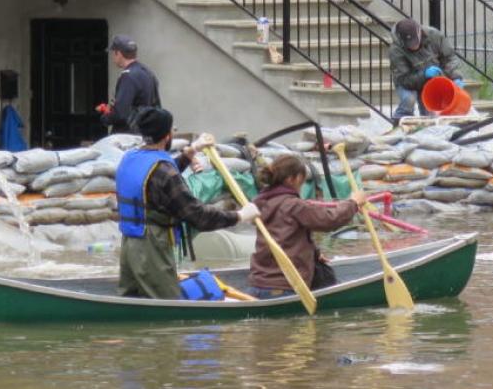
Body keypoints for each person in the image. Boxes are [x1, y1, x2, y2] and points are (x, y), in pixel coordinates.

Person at [116, 107, 260, 299]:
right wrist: (239, 216)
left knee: (131, 298)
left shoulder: (130, 158)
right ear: (168, 136)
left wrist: (191, 151)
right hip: (152, 246)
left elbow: (158, 177)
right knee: (165, 304)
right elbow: (197, 215)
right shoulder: (164, 171)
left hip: (129, 242)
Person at [247, 155, 368, 298]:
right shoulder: (294, 205)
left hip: (258, 284)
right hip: (285, 286)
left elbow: (283, 237)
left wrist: (313, 254)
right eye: (302, 180)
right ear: (294, 178)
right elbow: (329, 219)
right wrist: (353, 203)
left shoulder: (260, 203)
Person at [389, 18, 464, 122]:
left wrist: (454, 77)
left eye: (415, 40)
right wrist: (424, 74)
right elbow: (404, 79)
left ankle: (425, 128)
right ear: (402, 41)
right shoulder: (395, 50)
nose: (414, 45)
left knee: (429, 115)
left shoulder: (434, 36)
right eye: (409, 43)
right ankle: (399, 121)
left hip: (431, 81)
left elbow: (450, 58)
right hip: (408, 81)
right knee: (409, 99)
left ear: (419, 32)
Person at [98, 34, 161, 134]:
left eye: (114, 53)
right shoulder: (148, 73)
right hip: (145, 133)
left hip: (128, 136)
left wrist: (105, 117)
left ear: (118, 53)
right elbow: (157, 106)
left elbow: (120, 113)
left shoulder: (128, 76)